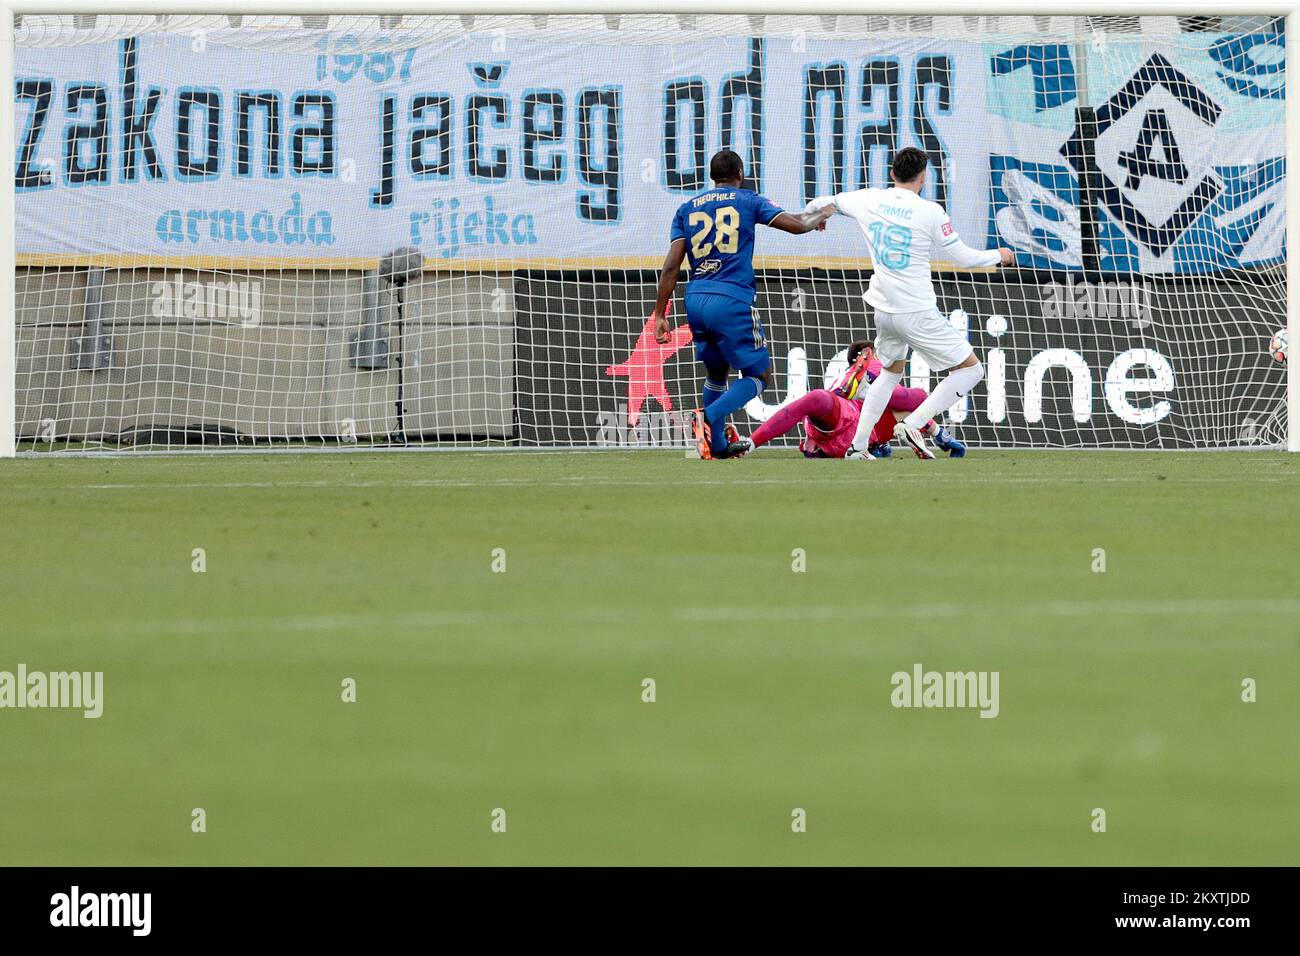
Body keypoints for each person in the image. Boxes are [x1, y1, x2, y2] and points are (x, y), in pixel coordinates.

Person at [804, 147, 1013, 460]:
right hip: (915, 310)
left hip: (884, 310)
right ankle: (914, 424)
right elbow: (965, 258)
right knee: (972, 371)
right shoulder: (930, 212)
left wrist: (817, 219)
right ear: (923, 177)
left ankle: (858, 448)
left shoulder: (869, 198)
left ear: (892, 174)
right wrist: (1001, 255)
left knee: (889, 373)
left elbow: (823, 202)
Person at [650, 149, 835, 459]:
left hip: (695, 298)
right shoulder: (748, 200)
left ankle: (718, 447)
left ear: (712, 177)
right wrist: (823, 214)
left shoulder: (686, 209)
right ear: (741, 174)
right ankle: (706, 418)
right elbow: (797, 225)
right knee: (759, 376)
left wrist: (659, 315)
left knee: (717, 372)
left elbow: (671, 266)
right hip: (731, 298)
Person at [726, 341, 966, 459]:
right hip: (851, 420)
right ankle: (881, 434)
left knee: (818, 399)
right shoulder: (875, 364)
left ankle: (751, 443)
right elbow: (911, 399)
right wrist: (939, 434)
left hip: (841, 430)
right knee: (915, 399)